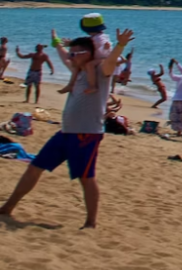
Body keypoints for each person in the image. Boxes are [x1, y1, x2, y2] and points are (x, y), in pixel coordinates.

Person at [0, 26, 132, 227]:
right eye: (73, 52)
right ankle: (7, 208)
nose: (75, 56)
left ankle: (90, 223)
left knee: (86, 178)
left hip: (86, 134)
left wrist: (120, 45)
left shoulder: (100, 71)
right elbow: (62, 54)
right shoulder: (76, 71)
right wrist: (56, 41)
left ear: (91, 53)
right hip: (65, 133)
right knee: (34, 168)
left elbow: (111, 62)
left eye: (80, 52)